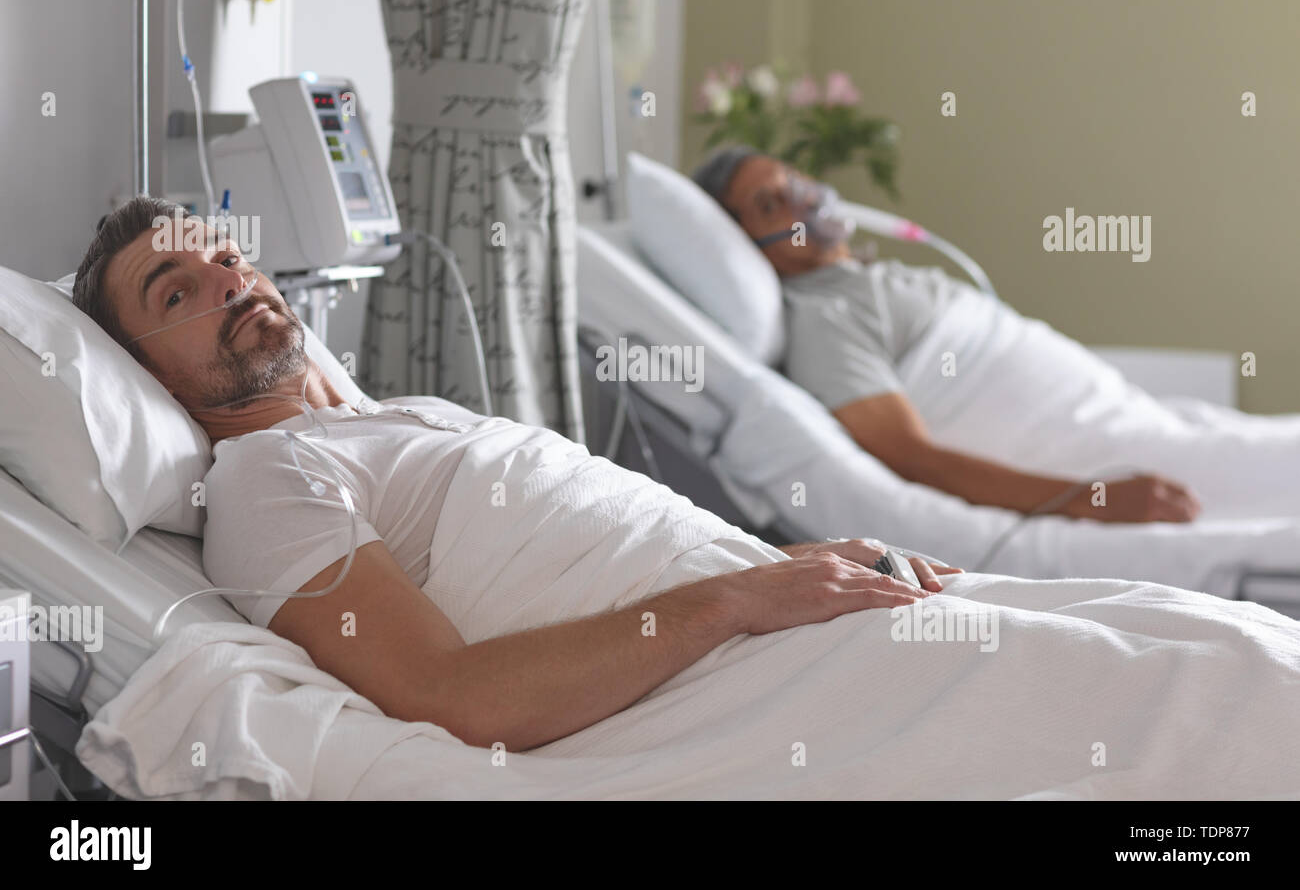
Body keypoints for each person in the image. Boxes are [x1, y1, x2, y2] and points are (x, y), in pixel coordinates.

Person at [72, 196, 957, 752]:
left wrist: (781, 566)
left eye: (228, 255)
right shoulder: (266, 483)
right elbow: (455, 697)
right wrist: (739, 599)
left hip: (801, 626)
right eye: (174, 290)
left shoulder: (394, 416)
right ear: (142, 375)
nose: (230, 281)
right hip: (759, 687)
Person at [691, 146, 1300, 524]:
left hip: (1135, 415)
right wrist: (1090, 499)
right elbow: (909, 458)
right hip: (1105, 450)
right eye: (771, 205)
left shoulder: (863, 278)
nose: (802, 199)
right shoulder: (823, 321)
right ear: (750, 248)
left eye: (792, 179)